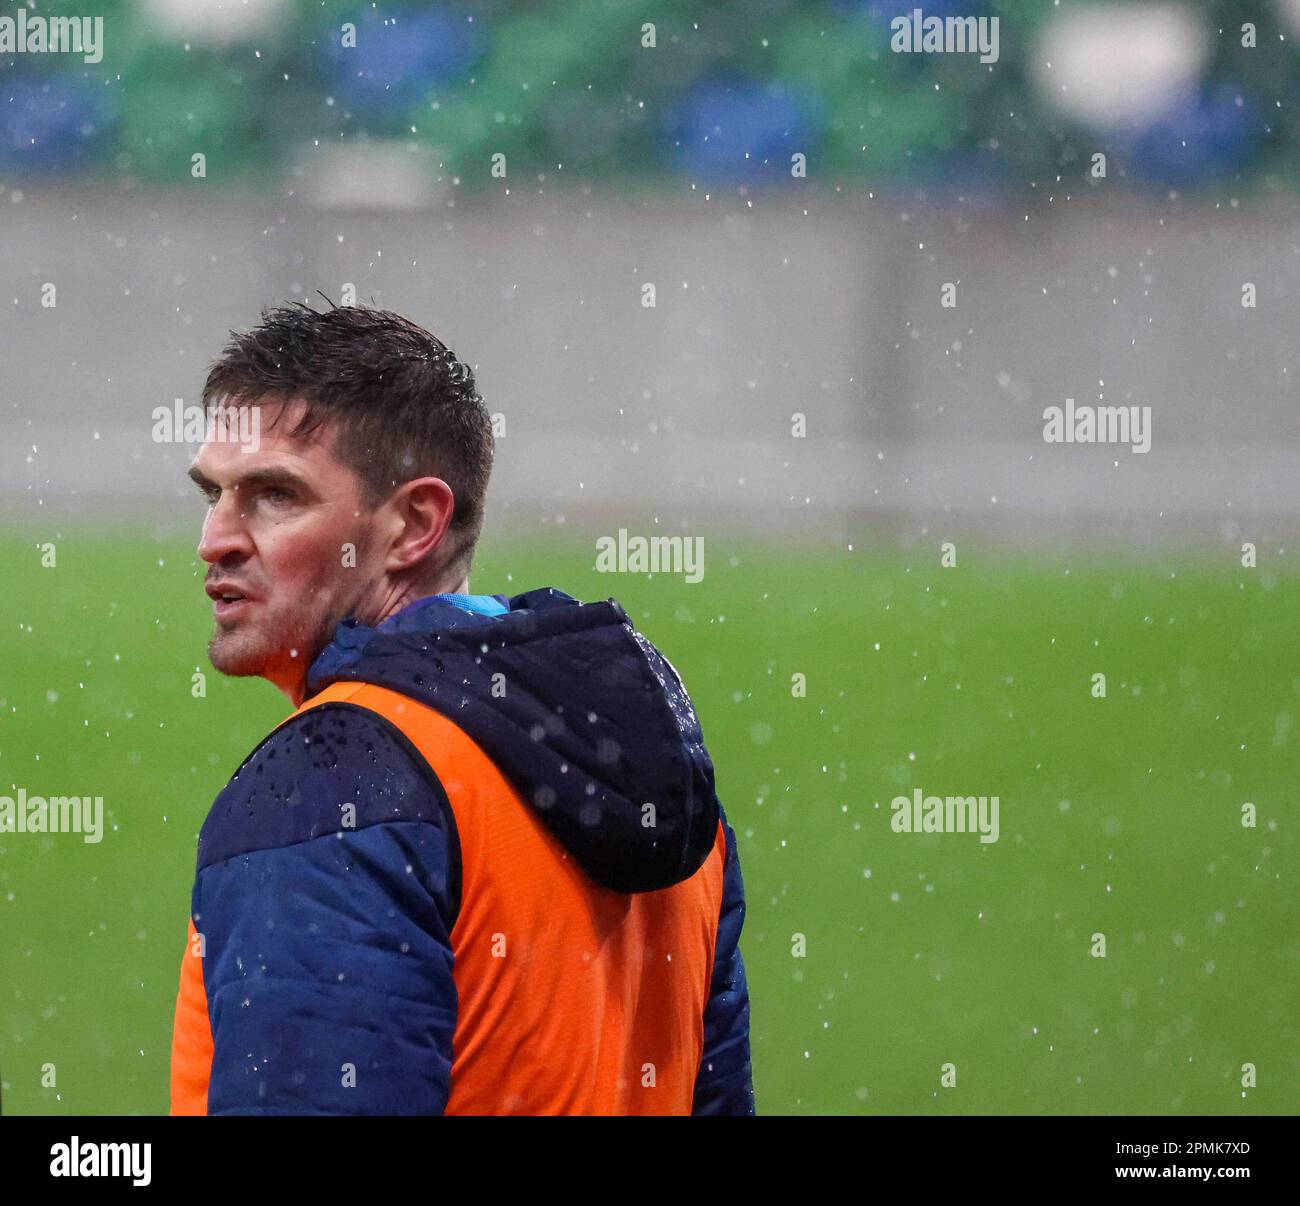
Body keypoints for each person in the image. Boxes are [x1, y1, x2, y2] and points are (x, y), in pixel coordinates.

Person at [168, 302, 754, 1115]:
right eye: (214, 493)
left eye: (274, 495)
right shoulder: (644, 759)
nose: (216, 539)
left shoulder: (332, 780)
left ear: (414, 525)